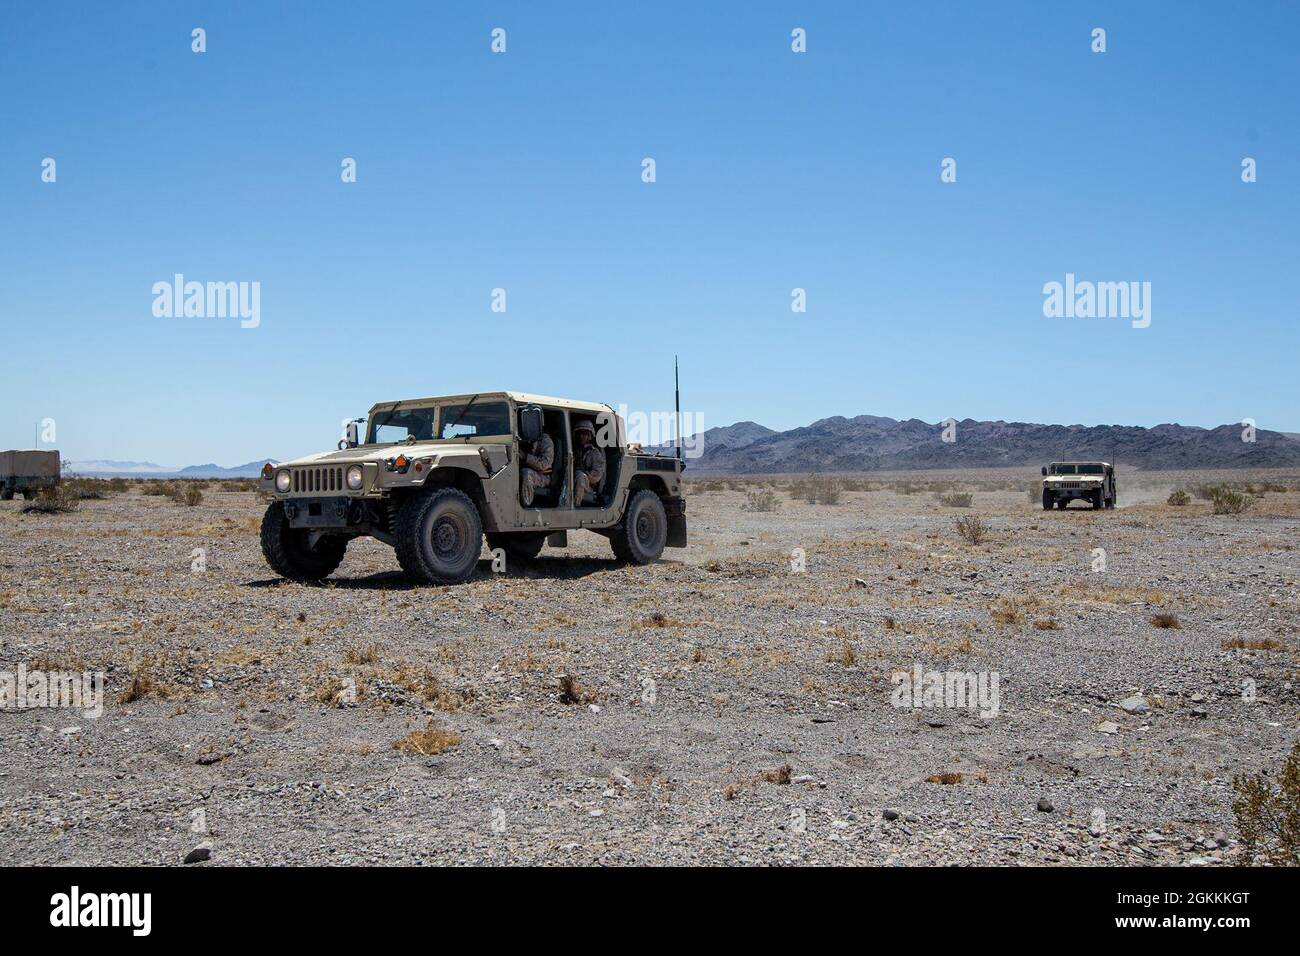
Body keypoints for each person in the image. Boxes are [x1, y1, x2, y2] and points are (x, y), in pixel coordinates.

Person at [572, 419, 605, 506]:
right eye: (580, 433)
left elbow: (597, 474)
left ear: (590, 436)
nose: (582, 436)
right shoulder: (573, 451)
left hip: (587, 485)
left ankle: (575, 506)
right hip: (571, 480)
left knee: (580, 476)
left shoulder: (594, 453)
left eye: (585, 434)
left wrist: (583, 473)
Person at [520, 428, 554, 507]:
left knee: (527, 473)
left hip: (542, 476)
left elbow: (544, 464)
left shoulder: (545, 441)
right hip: (522, 471)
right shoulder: (520, 438)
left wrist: (526, 457)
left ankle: (526, 505)